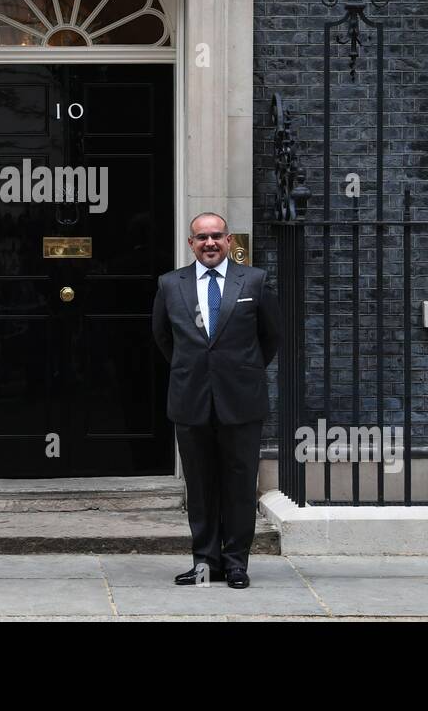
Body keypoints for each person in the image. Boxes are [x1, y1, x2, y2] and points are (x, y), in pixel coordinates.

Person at [151, 212, 280, 588]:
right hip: (191, 401)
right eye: (202, 237)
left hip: (242, 401)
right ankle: (205, 562)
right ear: (190, 243)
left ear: (228, 242)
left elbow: (270, 337)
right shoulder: (169, 284)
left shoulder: (255, 281)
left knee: (240, 486)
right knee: (202, 486)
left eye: (217, 236)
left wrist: (240, 371)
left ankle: (236, 563)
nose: (210, 243)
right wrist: (194, 370)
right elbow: (163, 337)